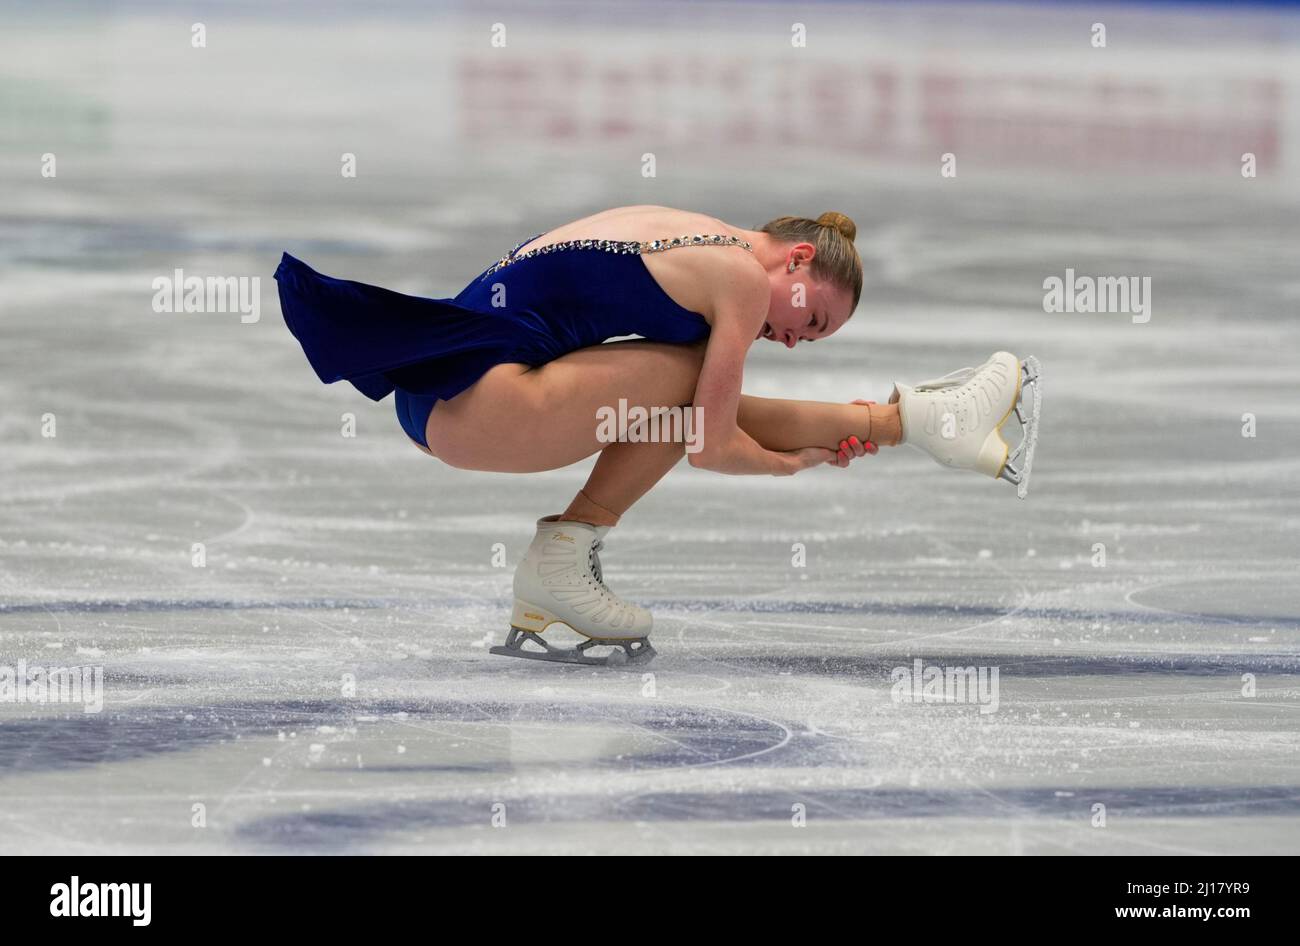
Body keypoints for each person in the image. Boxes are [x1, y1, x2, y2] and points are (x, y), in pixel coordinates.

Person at [275, 205, 1040, 666]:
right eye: (811, 319)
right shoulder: (737, 278)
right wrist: (794, 465)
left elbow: (706, 419)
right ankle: (564, 555)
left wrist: (828, 439)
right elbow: (708, 443)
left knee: (692, 384)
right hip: (478, 400)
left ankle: (913, 421)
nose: (799, 339)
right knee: (689, 384)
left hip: (449, 396)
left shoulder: (697, 235)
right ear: (799, 258)